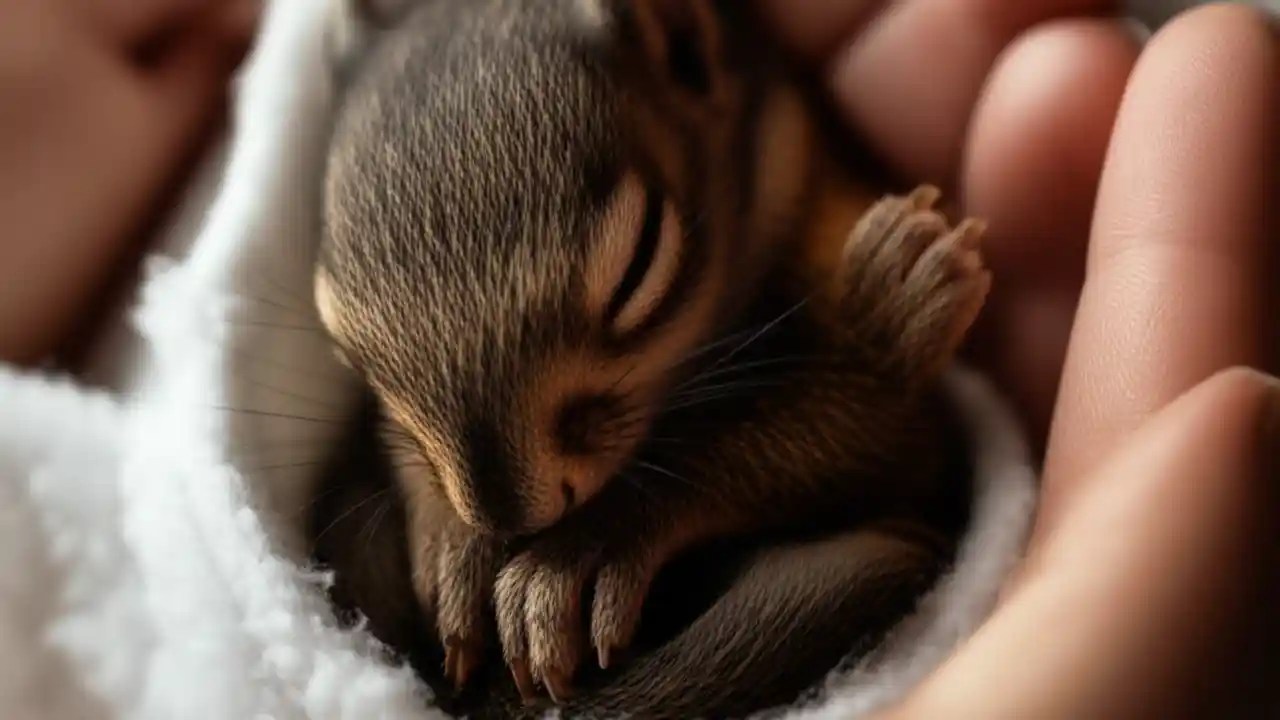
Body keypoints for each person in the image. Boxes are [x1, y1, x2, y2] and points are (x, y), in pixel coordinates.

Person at [1, 0, 1274, 715]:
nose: (509, 507)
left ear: (679, 50)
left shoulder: (777, 172)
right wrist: (434, 508)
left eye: (622, 282)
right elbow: (397, 443)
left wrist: (649, 521)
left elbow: (887, 451)